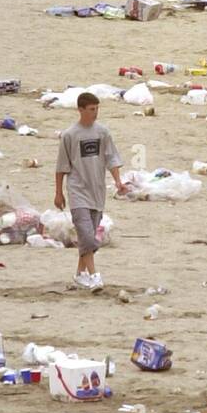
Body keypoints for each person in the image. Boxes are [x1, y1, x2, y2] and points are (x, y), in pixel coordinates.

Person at [55, 91, 130, 291]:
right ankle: (95, 276)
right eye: (91, 109)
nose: (95, 113)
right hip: (77, 190)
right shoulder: (69, 135)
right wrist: (58, 193)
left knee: (89, 235)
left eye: (97, 109)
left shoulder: (103, 133)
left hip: (97, 191)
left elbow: (111, 159)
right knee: (87, 235)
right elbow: (61, 167)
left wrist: (118, 182)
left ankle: (80, 275)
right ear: (80, 110)